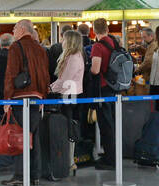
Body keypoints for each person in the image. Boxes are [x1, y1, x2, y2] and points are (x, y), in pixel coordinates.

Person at [2, 19, 50, 186]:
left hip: (20, 99)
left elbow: (10, 74)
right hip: (36, 99)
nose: (13, 31)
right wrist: (43, 96)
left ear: (22, 29)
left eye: (14, 28)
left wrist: (7, 98)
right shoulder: (40, 48)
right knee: (33, 137)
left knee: (19, 137)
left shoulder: (16, 47)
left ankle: (20, 175)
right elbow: (45, 75)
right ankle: (34, 175)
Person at [89, 18, 124, 171]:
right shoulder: (114, 42)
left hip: (103, 88)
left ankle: (110, 159)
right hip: (115, 87)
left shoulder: (97, 46)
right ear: (107, 29)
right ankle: (115, 155)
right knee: (113, 123)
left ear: (94, 30)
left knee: (105, 125)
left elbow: (95, 70)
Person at [50, 28, 85, 131]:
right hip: (70, 93)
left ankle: (69, 144)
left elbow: (65, 79)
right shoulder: (74, 56)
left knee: (68, 124)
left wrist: (52, 88)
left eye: (64, 39)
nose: (62, 42)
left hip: (69, 94)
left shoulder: (73, 57)